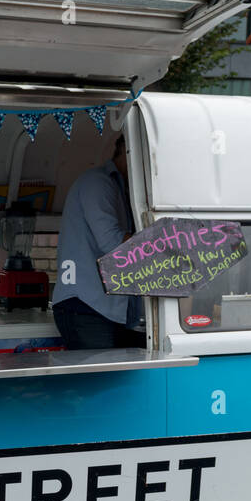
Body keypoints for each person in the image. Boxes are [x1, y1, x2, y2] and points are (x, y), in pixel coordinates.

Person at [51, 136, 145, 349]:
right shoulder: (97, 182)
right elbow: (113, 245)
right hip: (86, 308)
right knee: (101, 380)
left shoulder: (122, 189)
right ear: (127, 152)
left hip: (104, 310)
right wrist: (163, 243)